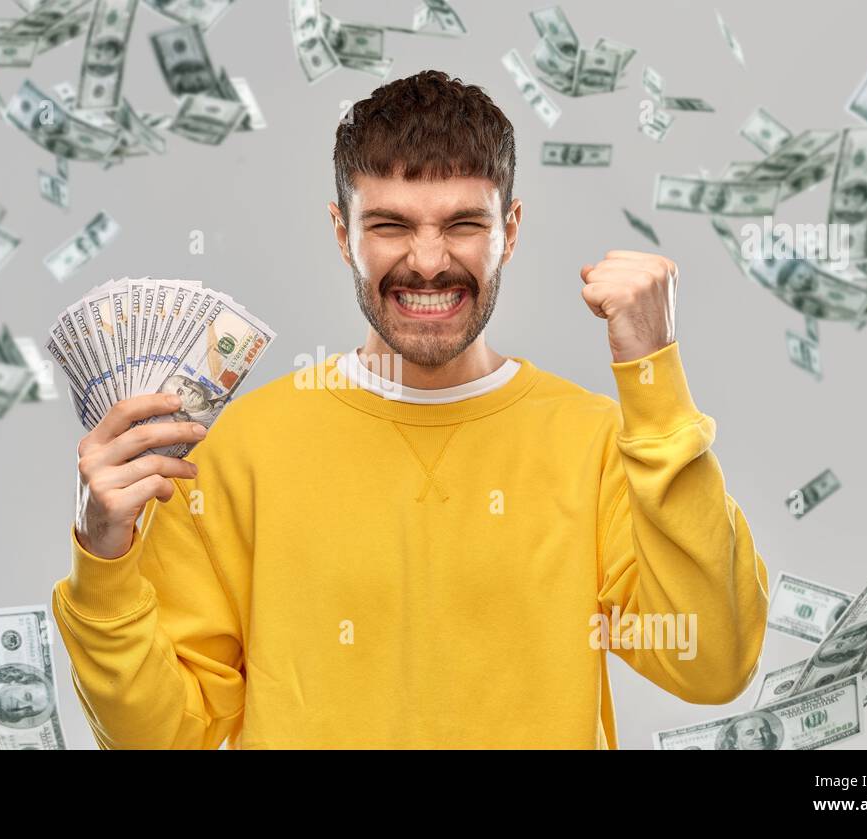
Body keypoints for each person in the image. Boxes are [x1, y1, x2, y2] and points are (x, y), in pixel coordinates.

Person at [51, 70, 770, 749]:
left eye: (463, 223)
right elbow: (164, 734)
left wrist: (655, 382)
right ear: (343, 235)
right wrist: (105, 558)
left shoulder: (601, 443)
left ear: (510, 231)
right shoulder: (239, 450)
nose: (428, 261)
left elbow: (712, 662)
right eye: (391, 225)